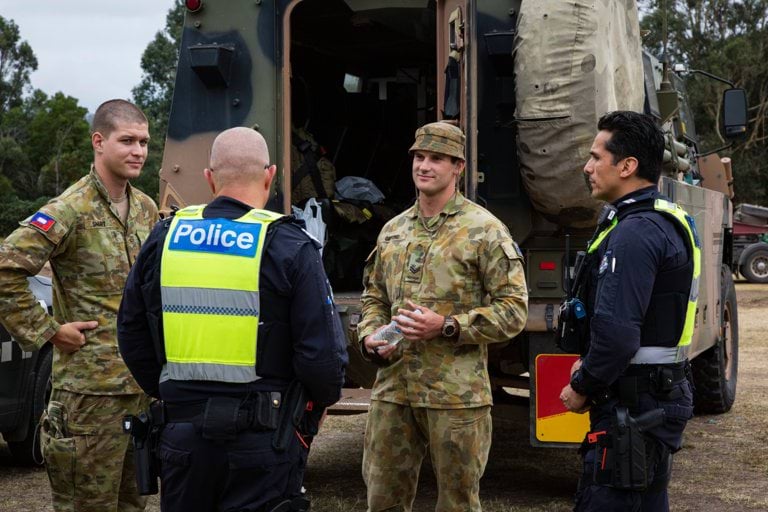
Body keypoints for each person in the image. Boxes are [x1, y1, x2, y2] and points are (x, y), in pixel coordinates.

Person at [117, 126, 348, 512]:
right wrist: (315, 410)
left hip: (182, 439)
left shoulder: (164, 238)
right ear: (271, 175)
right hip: (264, 442)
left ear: (209, 178)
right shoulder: (291, 244)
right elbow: (321, 357)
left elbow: (131, 332)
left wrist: (168, 391)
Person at [358, 121, 528, 512]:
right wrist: (370, 337)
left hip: (455, 397)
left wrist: (448, 325)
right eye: (419, 157)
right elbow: (374, 297)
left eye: (437, 158)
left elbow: (513, 310)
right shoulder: (393, 230)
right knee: (382, 499)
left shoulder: (483, 230)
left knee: (457, 504)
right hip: (393, 392)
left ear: (458, 167)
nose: (425, 166)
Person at [0, 99, 158, 511]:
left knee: (133, 504)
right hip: (88, 396)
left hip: (138, 388)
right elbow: (4, 270)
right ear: (99, 142)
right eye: (127, 141)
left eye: (143, 142)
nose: (138, 151)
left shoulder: (146, 209)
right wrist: (50, 331)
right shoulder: (70, 208)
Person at [559, 111, 699, 512]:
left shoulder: (636, 232)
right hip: (651, 401)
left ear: (627, 166)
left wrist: (582, 385)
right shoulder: (659, 218)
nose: (587, 167)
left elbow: (618, 335)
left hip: (634, 407)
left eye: (595, 157)